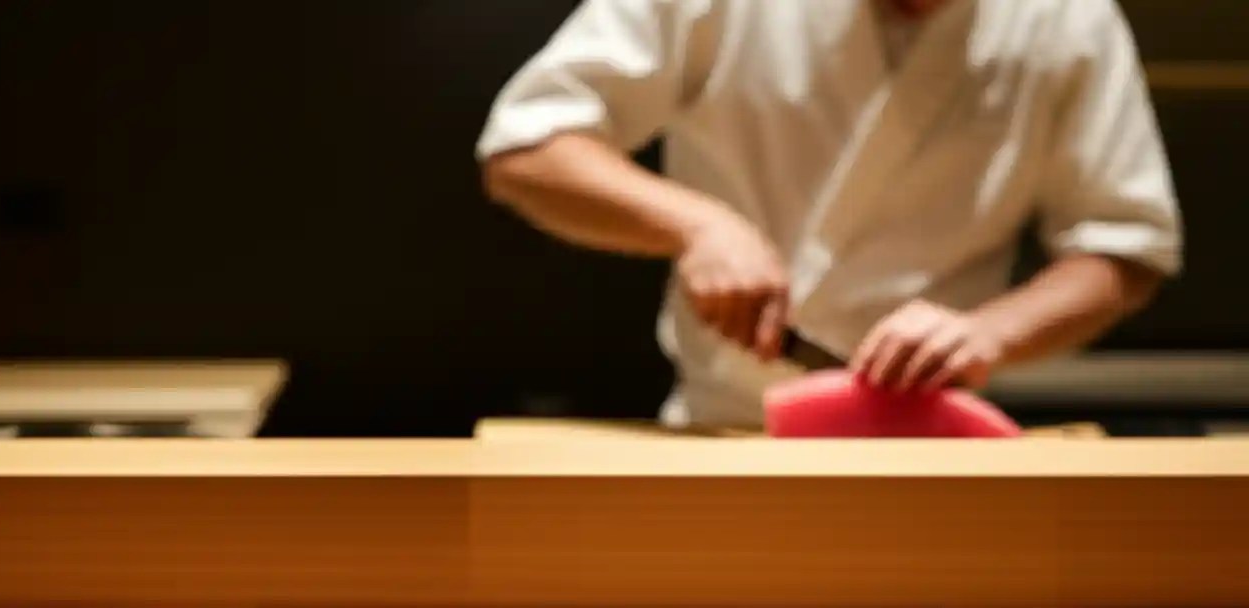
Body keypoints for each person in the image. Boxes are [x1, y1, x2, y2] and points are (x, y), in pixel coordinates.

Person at [476, 0, 1182, 430]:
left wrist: (988, 333)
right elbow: (528, 146)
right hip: (722, 427)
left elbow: (1125, 248)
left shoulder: (1070, 17)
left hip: (931, 440)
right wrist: (698, 224)